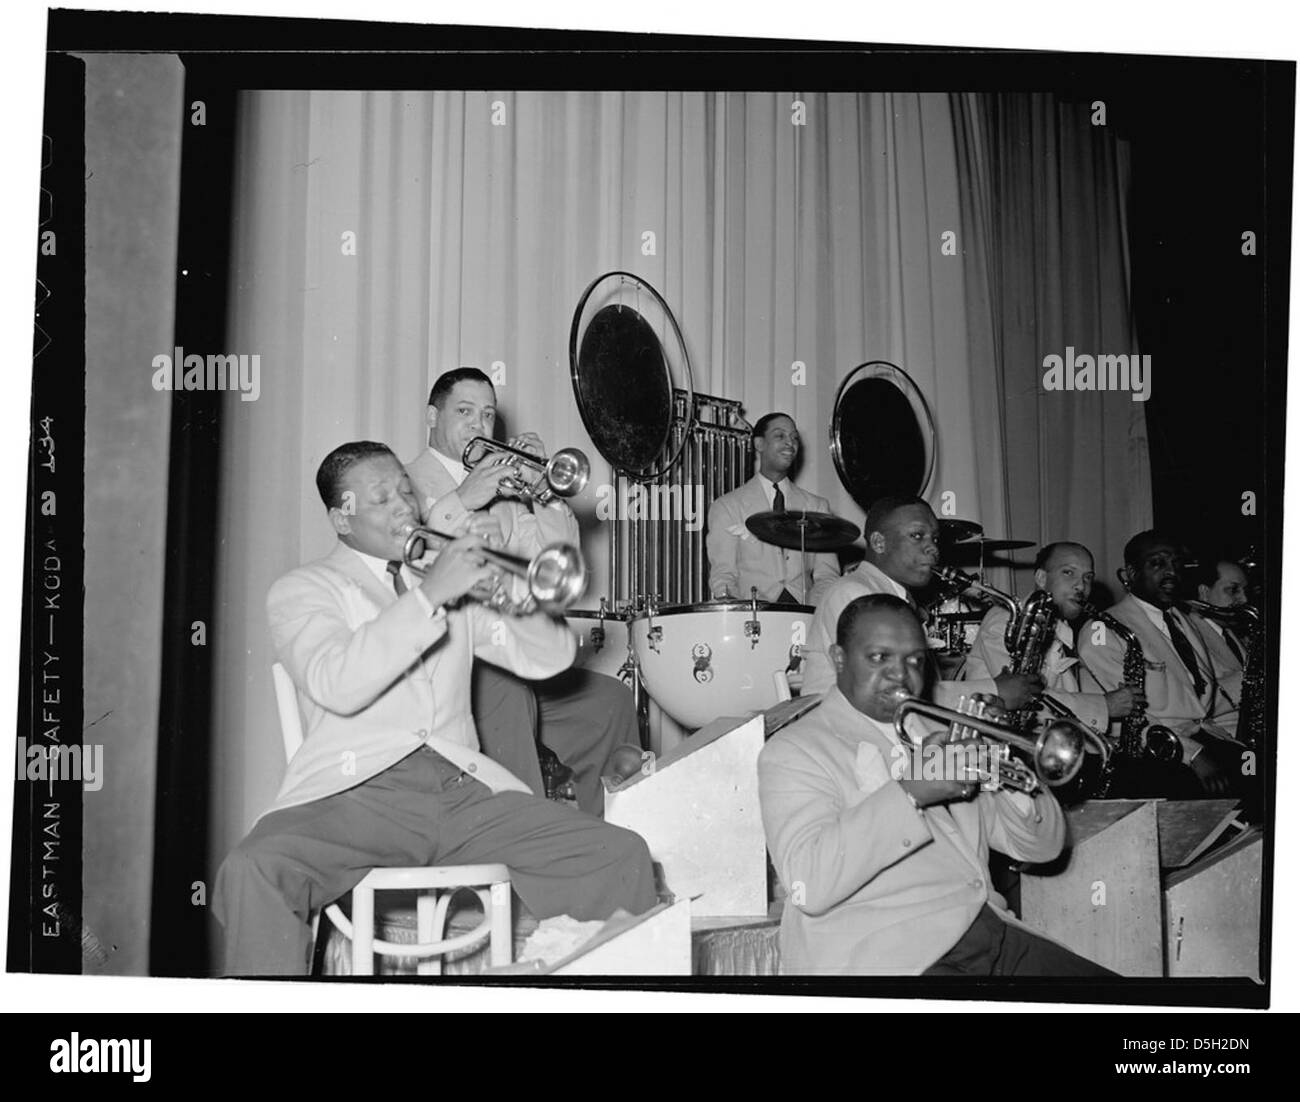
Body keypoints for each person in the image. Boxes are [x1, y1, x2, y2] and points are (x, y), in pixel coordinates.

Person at [212, 442, 656, 975]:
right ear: (341, 518)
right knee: (253, 869)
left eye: (405, 490)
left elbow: (549, 658)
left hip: (461, 790)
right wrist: (429, 597)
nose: (404, 505)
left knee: (619, 854)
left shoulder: (443, 583)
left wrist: (511, 590)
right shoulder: (306, 588)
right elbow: (337, 680)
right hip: (358, 794)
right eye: (382, 498)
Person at [758, 594, 1112, 975]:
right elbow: (807, 885)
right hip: (891, 957)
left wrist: (1005, 760)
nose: (900, 675)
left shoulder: (941, 733)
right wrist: (911, 791)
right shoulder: (796, 748)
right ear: (839, 659)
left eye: (914, 661)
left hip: (989, 933)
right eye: (879, 658)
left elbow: (1042, 848)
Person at [405, 367, 640, 817]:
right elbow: (412, 563)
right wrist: (464, 498)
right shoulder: (405, 482)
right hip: (452, 666)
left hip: (517, 652)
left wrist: (545, 492)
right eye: (465, 412)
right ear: (432, 417)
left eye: (488, 415)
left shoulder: (507, 490)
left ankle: (606, 839)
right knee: (508, 692)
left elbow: (559, 567)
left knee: (609, 704)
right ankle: (528, 849)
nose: (479, 425)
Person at [801, 495, 1043, 713]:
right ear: (878, 542)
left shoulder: (893, 598)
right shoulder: (855, 594)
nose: (933, 548)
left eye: (934, 538)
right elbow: (891, 696)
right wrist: (993, 690)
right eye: (917, 536)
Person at [1078, 530, 1245, 796]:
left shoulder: (1182, 617)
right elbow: (1131, 716)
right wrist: (1192, 754)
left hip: (1203, 738)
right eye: (1158, 563)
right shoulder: (1100, 627)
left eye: (1176, 563)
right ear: (1129, 575)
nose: (1172, 572)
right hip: (1158, 752)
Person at [963, 541, 1140, 739]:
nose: (1081, 586)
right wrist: (1104, 706)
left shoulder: (1061, 627)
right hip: (993, 749)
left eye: (1087, 577)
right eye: (1068, 572)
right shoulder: (1006, 618)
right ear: (1041, 578)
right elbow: (1023, 698)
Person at [705, 412, 840, 605]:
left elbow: (827, 574)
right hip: (754, 619)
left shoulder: (817, 506)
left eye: (794, 438)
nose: (790, 443)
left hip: (804, 615)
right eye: (780, 436)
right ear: (759, 444)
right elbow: (723, 576)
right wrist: (740, 615)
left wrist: (814, 611)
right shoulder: (727, 506)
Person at [1193, 556, 1250, 672]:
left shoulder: (1235, 633)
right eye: (1233, 590)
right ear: (1204, 592)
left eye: (1245, 591)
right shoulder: (1191, 637)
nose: (1244, 600)